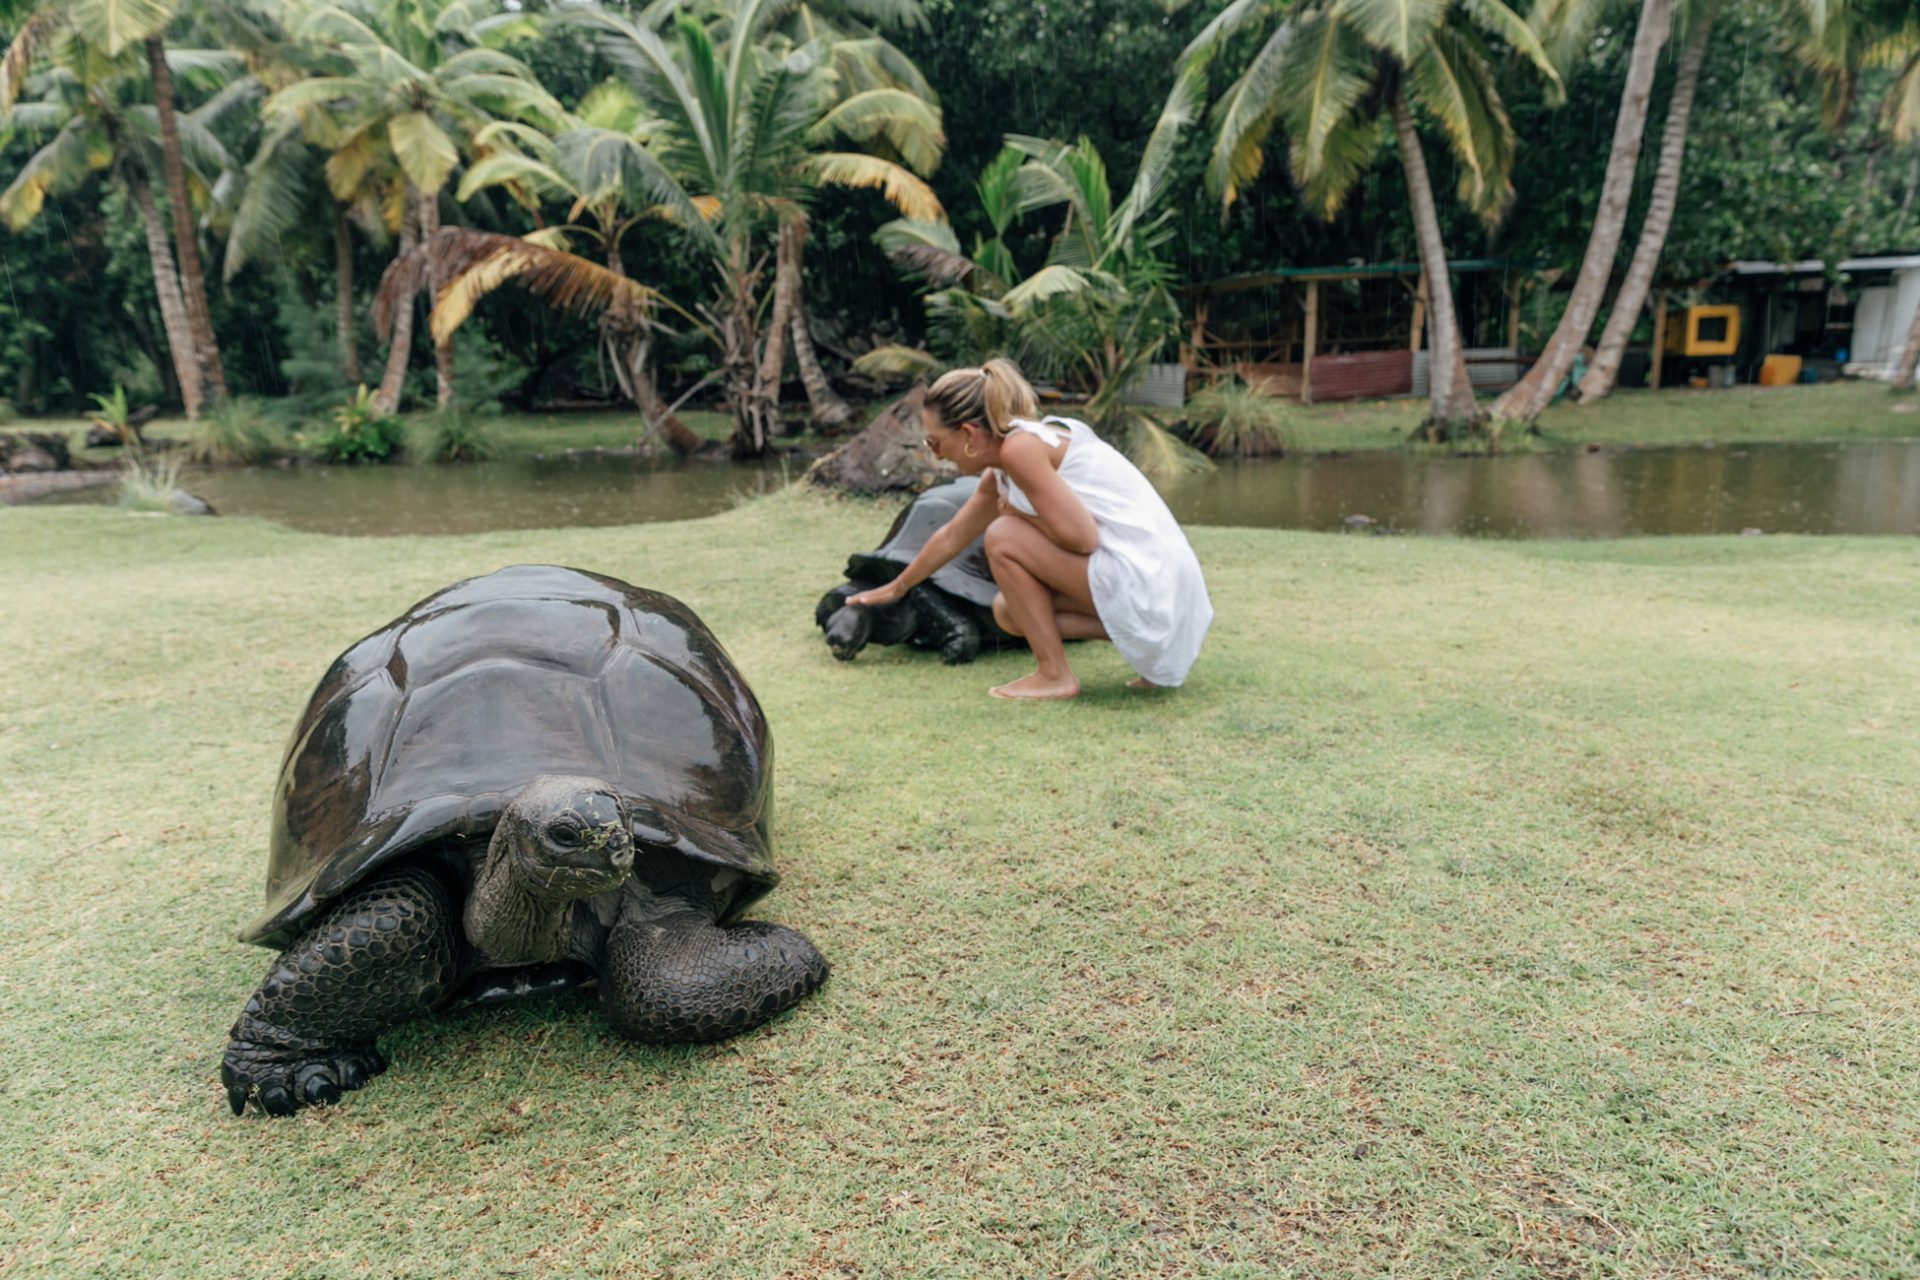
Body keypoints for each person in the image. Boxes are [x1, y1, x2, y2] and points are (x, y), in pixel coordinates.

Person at [847, 359, 1212, 700]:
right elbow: (951, 536)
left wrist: (1019, 516)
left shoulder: (1021, 449)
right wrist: (897, 587)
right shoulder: (1004, 468)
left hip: (1149, 579)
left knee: (1003, 535)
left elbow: (1084, 538)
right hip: (1160, 585)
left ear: (969, 433)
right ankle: (1143, 634)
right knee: (1008, 612)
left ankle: (1055, 675)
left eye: (935, 442)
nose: (935, 454)